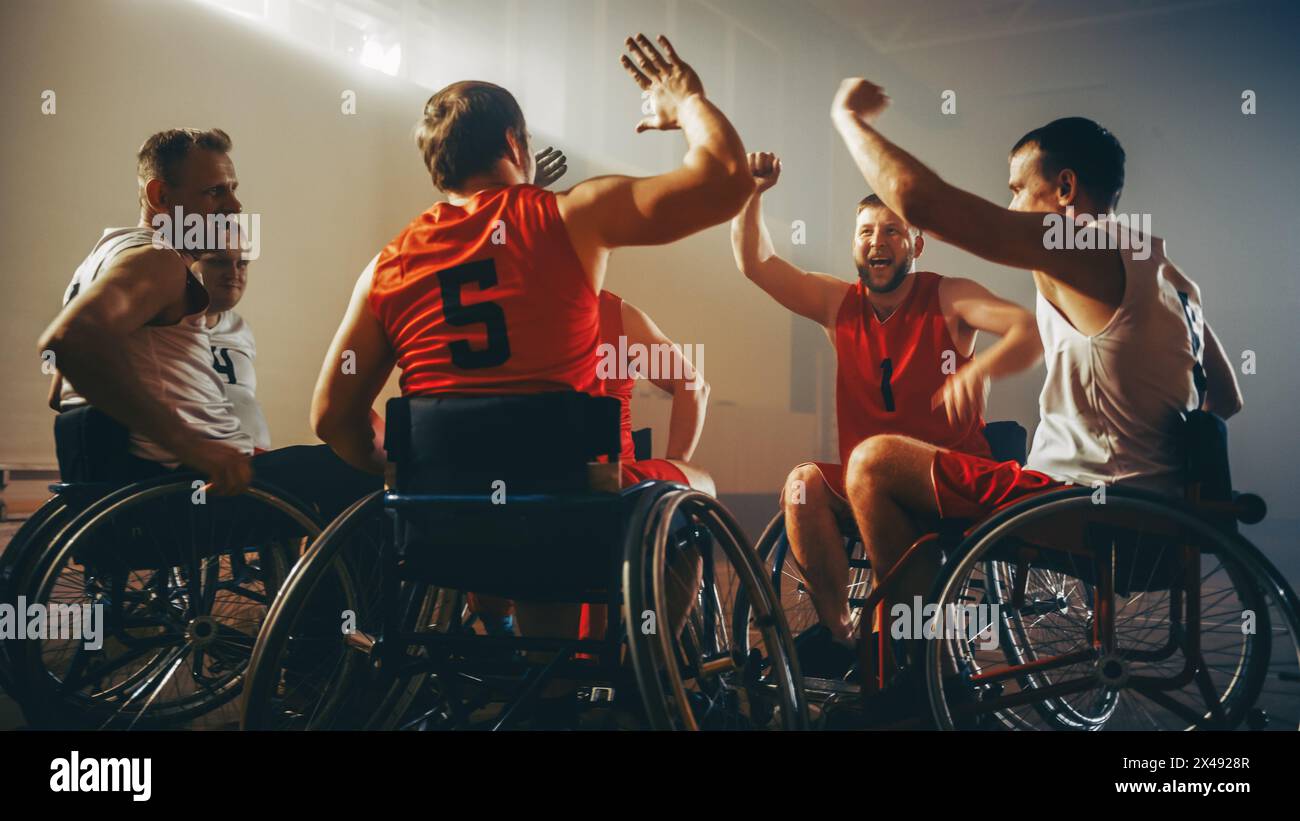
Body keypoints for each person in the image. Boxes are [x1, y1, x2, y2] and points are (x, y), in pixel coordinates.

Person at [308, 35, 753, 719]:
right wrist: (687, 101)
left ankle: (549, 694)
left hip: (442, 531)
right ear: (517, 145)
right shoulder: (569, 215)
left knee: (529, 508)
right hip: (564, 515)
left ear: (437, 168)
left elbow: (332, 417)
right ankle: (646, 670)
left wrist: (408, 474)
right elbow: (727, 179)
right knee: (693, 488)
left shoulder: (385, 267)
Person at [826, 80, 1242, 701]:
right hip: (1169, 523)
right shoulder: (1172, 276)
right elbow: (1225, 399)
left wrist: (847, 117)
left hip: (1088, 509)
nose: (1012, 202)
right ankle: (917, 640)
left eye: (1019, 187)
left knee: (875, 461)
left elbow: (922, 203)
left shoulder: (1082, 246)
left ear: (1066, 190)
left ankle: (911, 675)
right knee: (935, 469)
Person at [730, 150, 1041, 670]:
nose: (878, 241)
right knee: (802, 483)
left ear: (915, 243)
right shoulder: (837, 304)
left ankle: (917, 655)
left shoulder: (948, 297)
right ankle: (842, 634)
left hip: (947, 481)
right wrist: (752, 194)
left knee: (875, 461)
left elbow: (1025, 328)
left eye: (893, 231)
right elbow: (756, 264)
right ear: (855, 245)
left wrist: (979, 370)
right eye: (867, 232)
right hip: (869, 485)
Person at [38, 127, 378, 520]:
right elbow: (67, 340)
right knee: (357, 466)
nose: (235, 206)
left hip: (148, 477)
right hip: (181, 489)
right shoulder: (157, 258)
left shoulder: (103, 257)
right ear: (161, 197)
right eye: (215, 192)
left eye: (233, 189)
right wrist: (191, 444)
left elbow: (58, 394)